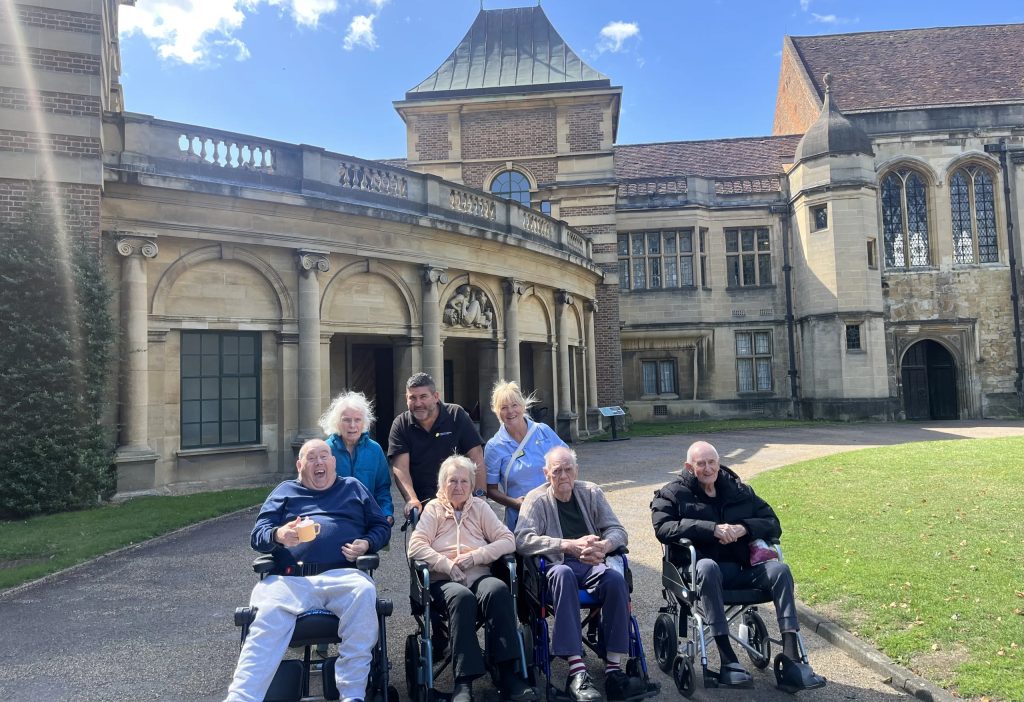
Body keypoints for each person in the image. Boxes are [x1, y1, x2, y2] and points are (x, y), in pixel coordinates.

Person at [224, 438, 391, 702]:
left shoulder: (353, 488)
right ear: (299, 465)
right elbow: (258, 535)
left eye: (324, 456)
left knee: (364, 592)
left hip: (343, 575)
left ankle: (352, 695)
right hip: (290, 579)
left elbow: (381, 526)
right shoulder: (285, 491)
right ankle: (241, 698)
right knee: (265, 620)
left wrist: (367, 543)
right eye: (311, 458)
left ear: (334, 462)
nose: (318, 462)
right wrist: (278, 534)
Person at [650, 440, 826, 691]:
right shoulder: (673, 493)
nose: (708, 468)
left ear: (719, 463)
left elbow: (772, 522)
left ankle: (792, 658)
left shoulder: (739, 490)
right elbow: (663, 527)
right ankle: (728, 659)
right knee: (708, 567)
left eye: (712, 462)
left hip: (742, 568)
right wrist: (711, 529)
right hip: (698, 572)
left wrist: (744, 528)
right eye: (701, 464)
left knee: (780, 570)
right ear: (689, 467)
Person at [515, 446, 648, 702]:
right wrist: (566, 545)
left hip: (591, 564)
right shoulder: (536, 499)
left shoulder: (591, 492)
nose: (563, 476)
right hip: (555, 565)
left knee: (615, 580)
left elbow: (617, 530)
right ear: (546, 474)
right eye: (557, 471)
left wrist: (604, 546)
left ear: (576, 471)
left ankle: (613, 669)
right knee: (564, 573)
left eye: (568, 469)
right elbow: (522, 539)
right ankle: (576, 671)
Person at [407, 455, 538, 702]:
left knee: (497, 589)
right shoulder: (434, 509)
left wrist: (477, 556)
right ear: (442, 484)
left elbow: (508, 540)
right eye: (452, 481)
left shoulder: (480, 507)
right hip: (443, 581)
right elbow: (416, 546)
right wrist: (446, 564)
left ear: (471, 484)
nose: (458, 487)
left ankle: (508, 674)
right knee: (462, 598)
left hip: (478, 575)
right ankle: (463, 682)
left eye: (464, 481)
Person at [389, 372, 485, 516]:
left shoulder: (456, 415)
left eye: (423, 397)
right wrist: (411, 499)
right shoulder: (401, 424)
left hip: (461, 503)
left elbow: (476, 456)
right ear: (406, 399)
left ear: (436, 397)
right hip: (424, 507)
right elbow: (400, 468)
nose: (418, 403)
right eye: (412, 398)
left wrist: (480, 495)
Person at [484, 379, 567, 528]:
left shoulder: (543, 431)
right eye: (504, 407)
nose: (510, 411)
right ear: (496, 411)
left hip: (555, 510)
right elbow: (490, 490)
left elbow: (568, 462)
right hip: (522, 517)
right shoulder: (494, 447)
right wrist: (515, 503)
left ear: (522, 405)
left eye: (514, 405)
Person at [320, 390, 395, 524]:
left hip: (368, 518)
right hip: (335, 519)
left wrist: (386, 513)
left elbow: (382, 488)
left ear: (364, 422)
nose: (352, 425)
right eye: (346, 420)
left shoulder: (375, 450)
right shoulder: (324, 450)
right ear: (336, 422)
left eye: (357, 420)